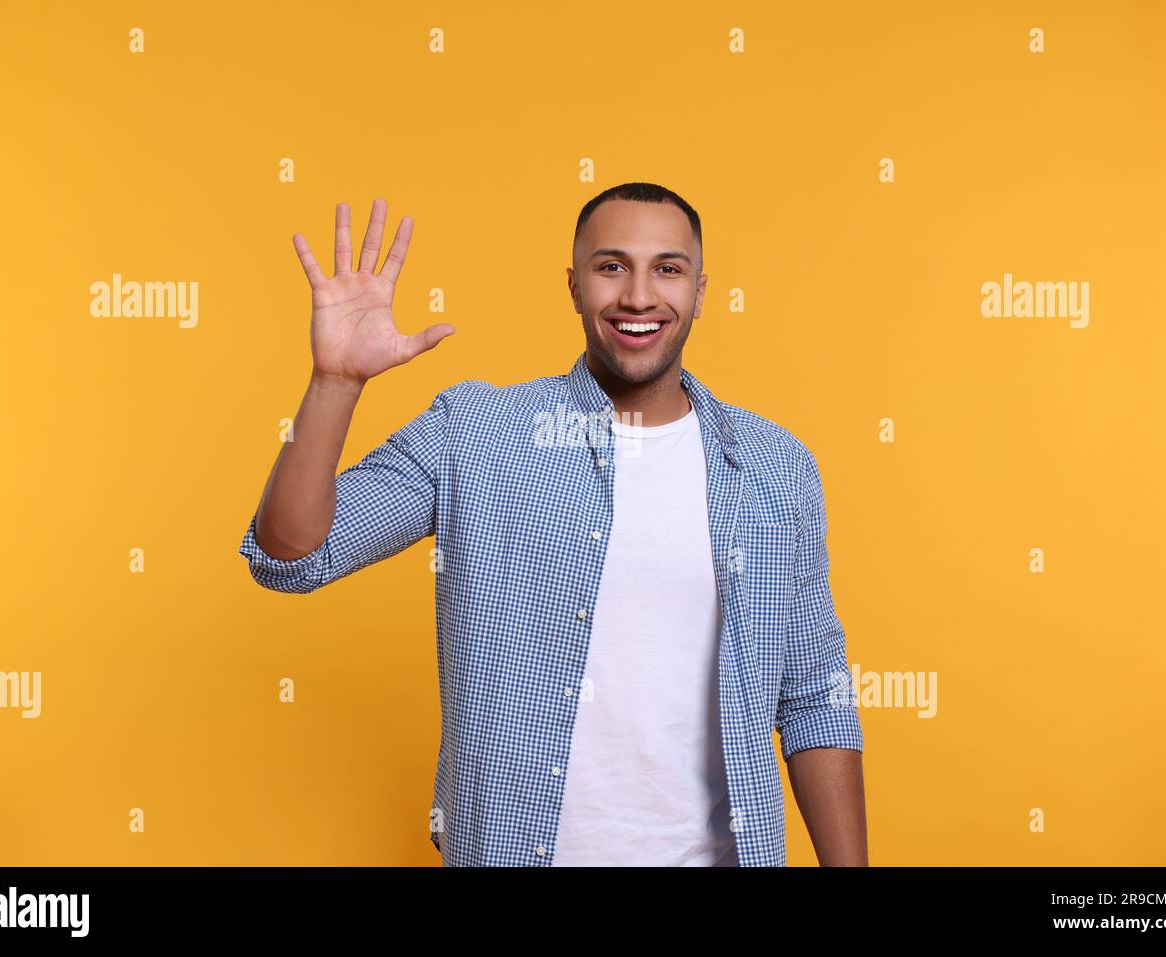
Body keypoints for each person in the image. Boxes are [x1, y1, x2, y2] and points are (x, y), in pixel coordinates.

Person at [238, 182, 867, 867]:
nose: (637, 296)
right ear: (573, 286)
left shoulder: (775, 467)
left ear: (700, 290)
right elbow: (293, 553)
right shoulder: (474, 434)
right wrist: (336, 383)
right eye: (610, 266)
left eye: (667, 268)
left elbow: (814, 696)